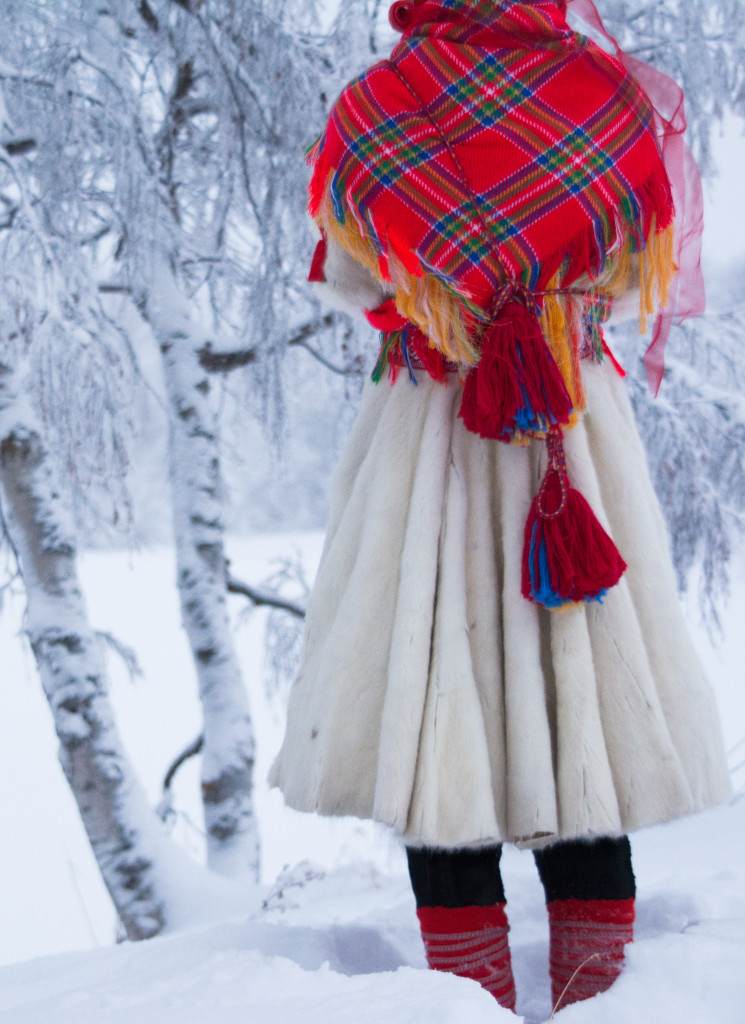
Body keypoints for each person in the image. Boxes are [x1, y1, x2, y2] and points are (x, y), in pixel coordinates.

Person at [270, 0, 731, 1012]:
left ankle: (464, 1004)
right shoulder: (608, 102)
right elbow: (623, 284)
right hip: (572, 427)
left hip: (429, 427)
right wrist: (543, 305)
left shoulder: (376, 107)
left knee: (441, 704)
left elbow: (351, 277)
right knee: (585, 705)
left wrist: (454, 298)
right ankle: (602, 1003)